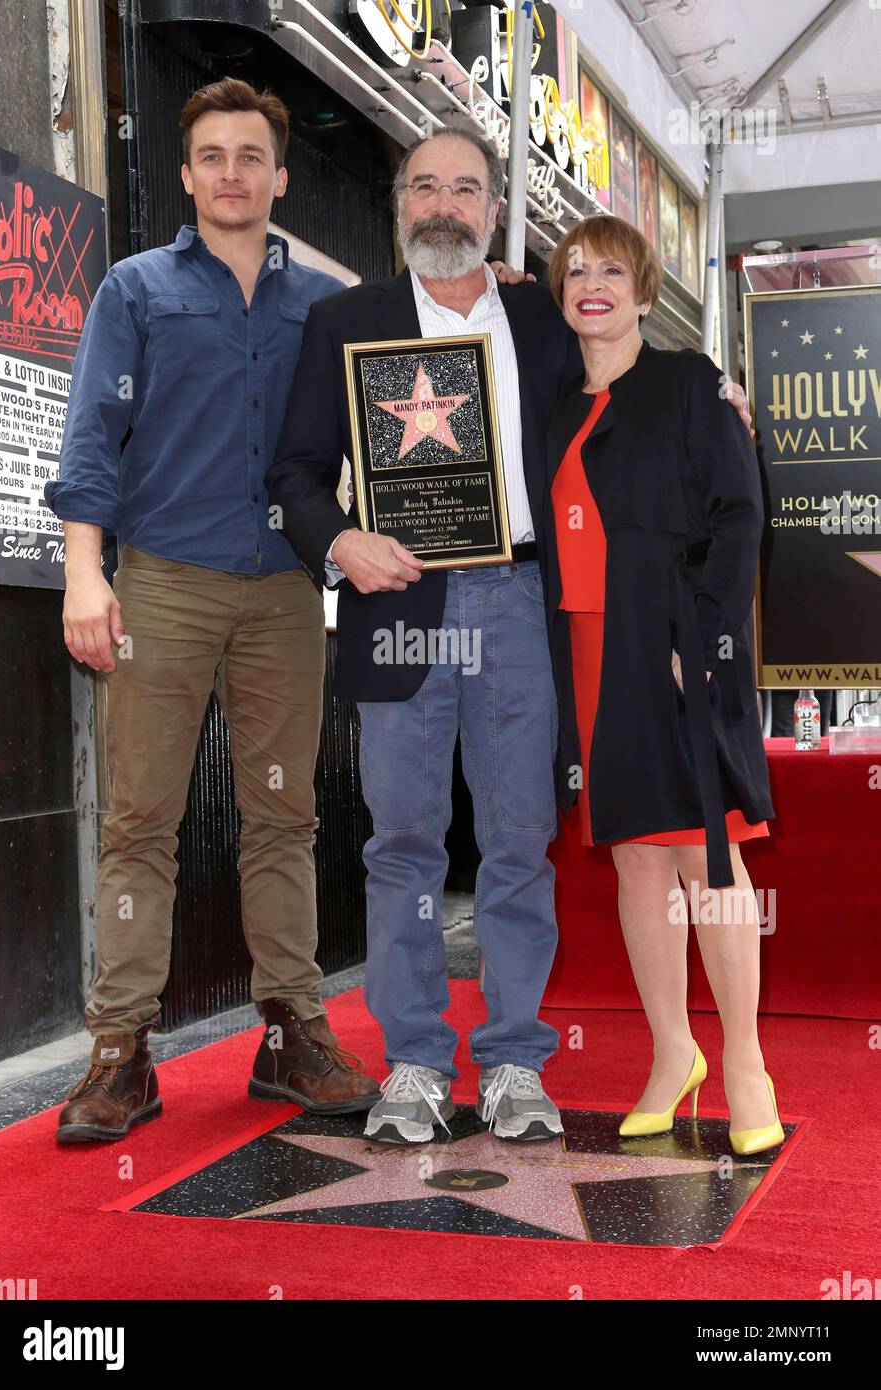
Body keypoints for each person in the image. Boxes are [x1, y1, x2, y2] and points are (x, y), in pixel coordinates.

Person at [266, 129, 755, 1146]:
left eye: (466, 189)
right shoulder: (340, 321)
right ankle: (411, 1059)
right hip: (397, 607)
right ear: (399, 203)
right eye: (425, 185)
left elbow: (630, 375)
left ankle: (515, 1061)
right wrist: (342, 542)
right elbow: (294, 474)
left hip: (518, 606)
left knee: (518, 839)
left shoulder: (539, 311)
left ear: (493, 212)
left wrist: (715, 398)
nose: (443, 203)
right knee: (399, 839)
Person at [45, 77, 381, 1143]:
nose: (232, 173)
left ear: (279, 178)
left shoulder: (323, 310)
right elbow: (92, 438)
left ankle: (290, 1030)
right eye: (213, 156)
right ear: (185, 174)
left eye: (251, 157)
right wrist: (84, 575)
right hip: (162, 584)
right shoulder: (135, 291)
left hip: (286, 591)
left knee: (283, 817)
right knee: (138, 820)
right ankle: (122, 1052)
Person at [540, 214, 784, 1157]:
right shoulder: (562, 403)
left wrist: (709, 640)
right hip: (590, 657)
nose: (590, 283)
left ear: (644, 293)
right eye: (573, 271)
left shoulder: (690, 386)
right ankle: (671, 1052)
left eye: (612, 270)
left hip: (680, 648)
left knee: (706, 857)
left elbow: (740, 516)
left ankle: (747, 1065)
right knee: (638, 859)